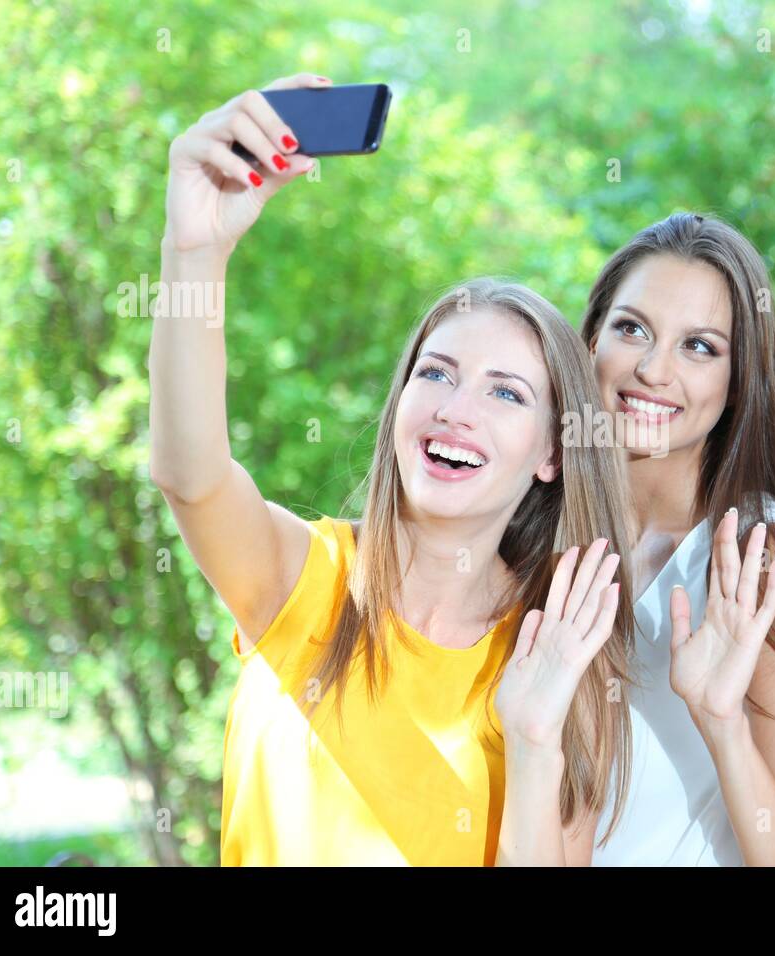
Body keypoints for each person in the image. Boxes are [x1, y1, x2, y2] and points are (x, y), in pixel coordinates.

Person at [149, 73, 638, 865]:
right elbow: (189, 470)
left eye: (505, 392)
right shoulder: (303, 580)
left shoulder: (557, 653)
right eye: (436, 374)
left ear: (552, 452)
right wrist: (194, 249)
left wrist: (536, 734)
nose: (455, 409)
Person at [580, 212, 775, 865]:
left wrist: (723, 724)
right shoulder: (537, 529)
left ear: (740, 384)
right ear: (589, 339)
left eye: (699, 346)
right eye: (631, 329)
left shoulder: (763, 560)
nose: (652, 369)